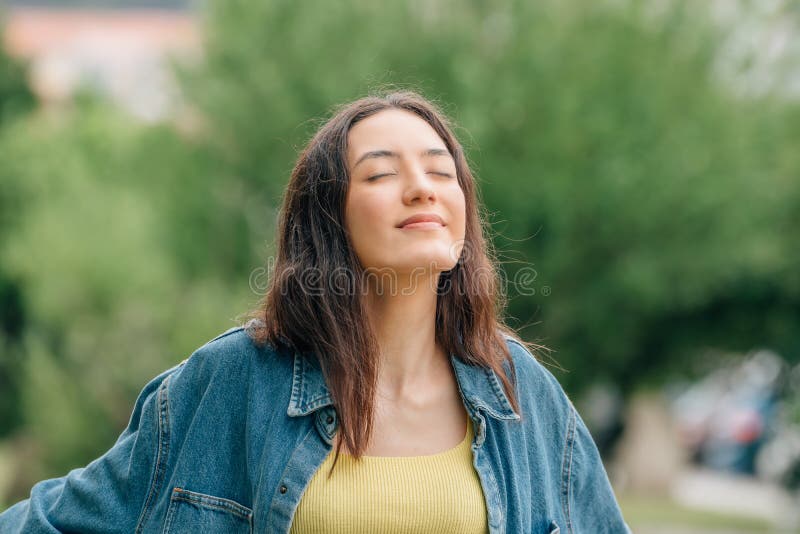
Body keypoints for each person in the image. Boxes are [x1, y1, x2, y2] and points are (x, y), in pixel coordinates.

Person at [0, 90, 631, 533]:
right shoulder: (238, 379)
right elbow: (61, 520)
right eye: (382, 174)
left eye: (443, 172)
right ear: (329, 219)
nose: (422, 187)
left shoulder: (521, 394)